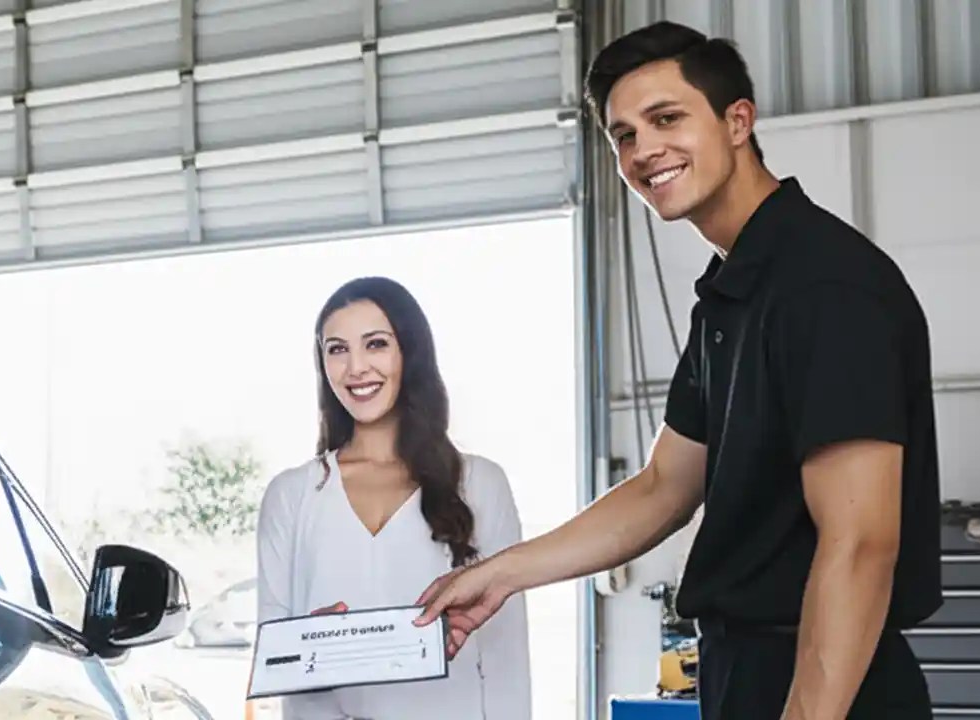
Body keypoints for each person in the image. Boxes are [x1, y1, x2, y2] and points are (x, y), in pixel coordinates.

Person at [415, 20, 941, 720]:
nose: (643, 151)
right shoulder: (733, 290)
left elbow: (861, 544)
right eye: (624, 135)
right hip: (743, 671)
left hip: (825, 681)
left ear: (736, 121)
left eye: (666, 118)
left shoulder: (823, 284)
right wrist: (502, 573)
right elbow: (666, 485)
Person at [256, 276, 532, 720]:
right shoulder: (291, 496)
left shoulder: (481, 484)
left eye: (376, 344)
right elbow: (274, 657)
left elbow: (506, 661)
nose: (356, 368)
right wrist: (310, 640)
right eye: (337, 349)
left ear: (410, 353)